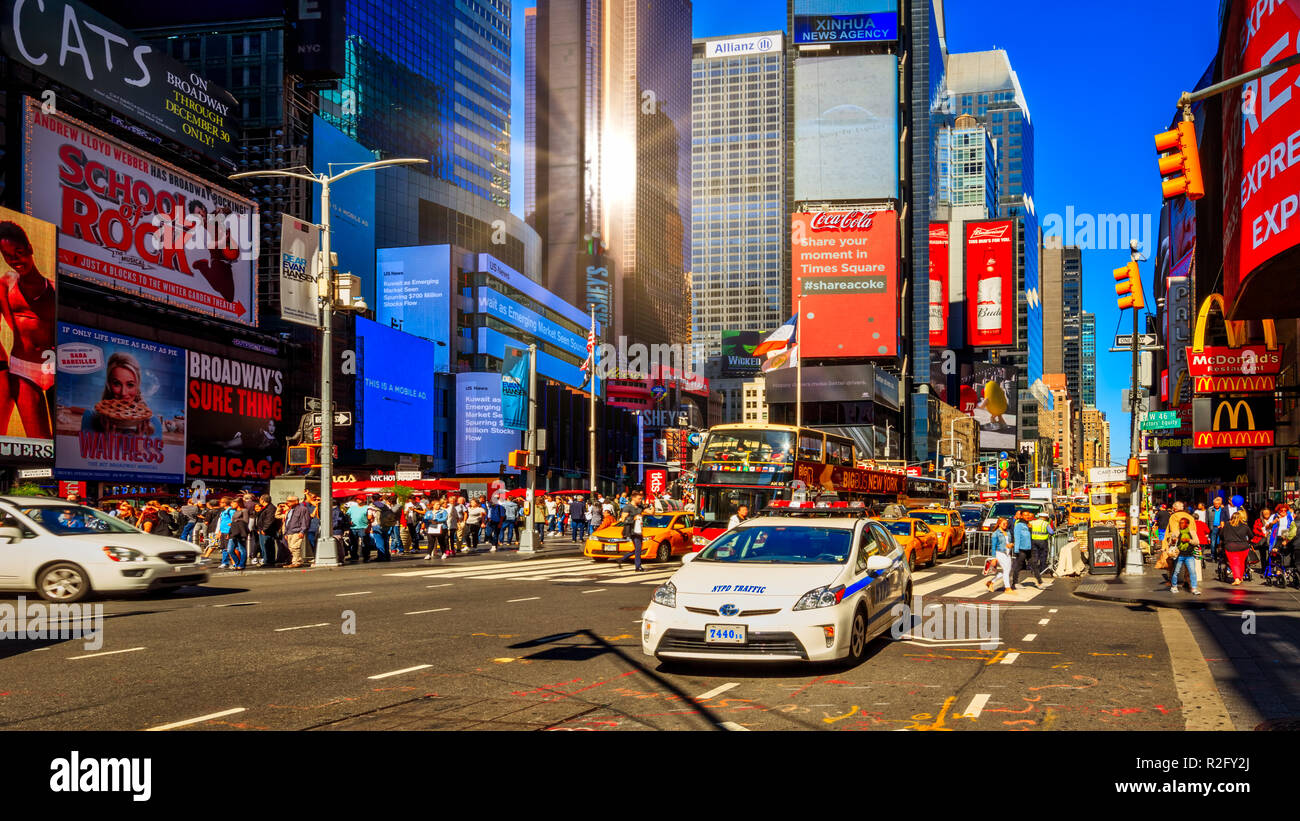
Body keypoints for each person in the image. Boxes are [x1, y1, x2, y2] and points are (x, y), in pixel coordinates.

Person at [0, 219, 56, 440]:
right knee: (40, 443)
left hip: (53, 368)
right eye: (8, 255)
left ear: (30, 249)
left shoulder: (53, 287)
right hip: (23, 369)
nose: (15, 259)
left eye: (19, 252)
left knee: (62, 445)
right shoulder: (5, 284)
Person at [617, 490, 648, 572]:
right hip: (631, 530)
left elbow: (651, 512)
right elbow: (623, 520)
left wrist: (653, 506)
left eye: (641, 498)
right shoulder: (627, 507)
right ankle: (638, 566)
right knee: (638, 548)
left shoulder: (640, 507)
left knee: (639, 549)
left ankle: (622, 559)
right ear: (633, 498)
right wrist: (633, 519)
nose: (640, 500)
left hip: (639, 529)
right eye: (639, 498)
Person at [1169, 516, 1201, 595]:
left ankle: (1194, 588)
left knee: (1192, 572)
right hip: (1179, 555)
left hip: (1189, 555)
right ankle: (1174, 586)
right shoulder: (1176, 532)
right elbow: (1170, 543)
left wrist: (1188, 540)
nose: (1181, 524)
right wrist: (1173, 541)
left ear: (1187, 524)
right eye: (1180, 523)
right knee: (1176, 571)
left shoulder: (1192, 532)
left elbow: (1197, 542)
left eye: (1183, 523)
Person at [1222, 509, 1253, 585]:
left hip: (1230, 547)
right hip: (1243, 547)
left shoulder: (1227, 525)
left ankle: (1236, 579)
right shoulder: (1244, 526)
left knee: (1234, 563)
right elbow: (1251, 536)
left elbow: (1221, 535)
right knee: (1241, 563)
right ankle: (1240, 577)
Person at [282, 494, 312, 568]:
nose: (287, 503)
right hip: (289, 532)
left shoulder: (303, 509)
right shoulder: (290, 510)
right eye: (287, 501)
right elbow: (287, 522)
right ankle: (294, 561)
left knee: (294, 547)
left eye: (289, 501)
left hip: (297, 531)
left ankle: (297, 562)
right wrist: (286, 532)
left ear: (296, 501)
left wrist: (302, 531)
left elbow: (305, 521)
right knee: (291, 548)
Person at [986, 518, 1014, 594]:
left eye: (1006, 523)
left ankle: (991, 582)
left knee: (1007, 571)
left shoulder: (1007, 532)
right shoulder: (996, 533)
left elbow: (1009, 542)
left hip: (1007, 553)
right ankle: (1007, 588)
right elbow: (993, 546)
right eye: (1003, 523)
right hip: (1000, 553)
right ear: (999, 523)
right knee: (1006, 570)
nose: (1005, 525)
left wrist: (1011, 545)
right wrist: (994, 558)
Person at [1011, 511, 1037, 588]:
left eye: (1028, 515)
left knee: (1032, 564)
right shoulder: (1019, 524)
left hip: (1028, 547)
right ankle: (1014, 583)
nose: (1027, 517)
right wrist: (1016, 550)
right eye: (1025, 515)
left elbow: (1029, 536)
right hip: (1021, 548)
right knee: (1018, 566)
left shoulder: (1027, 524)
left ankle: (1039, 581)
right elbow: (1017, 537)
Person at [254, 494, 279, 567]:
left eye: (260, 499)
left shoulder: (270, 508)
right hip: (262, 530)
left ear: (263, 500)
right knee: (264, 546)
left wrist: (264, 529)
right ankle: (266, 561)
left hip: (267, 531)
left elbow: (269, 520)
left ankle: (269, 561)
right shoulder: (265, 508)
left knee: (267, 546)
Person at [1028, 511, 1053, 582]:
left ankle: (1033, 569)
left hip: (1033, 540)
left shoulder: (1032, 522)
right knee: (1043, 556)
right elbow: (1051, 532)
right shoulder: (1045, 523)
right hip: (1042, 541)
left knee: (1035, 555)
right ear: (1045, 517)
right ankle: (1042, 569)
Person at [347, 495, 371, 562]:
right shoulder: (352, 508)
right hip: (353, 528)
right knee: (353, 543)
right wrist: (349, 521)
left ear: (364, 500)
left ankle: (366, 557)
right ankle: (354, 556)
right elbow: (347, 515)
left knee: (365, 543)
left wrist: (369, 527)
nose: (358, 500)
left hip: (363, 527)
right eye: (357, 499)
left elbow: (370, 518)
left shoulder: (367, 508)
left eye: (360, 499)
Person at [227, 505, 251, 570]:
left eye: (233, 503)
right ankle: (237, 563)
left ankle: (241, 565)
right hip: (233, 531)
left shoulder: (244, 510)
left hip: (241, 532)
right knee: (230, 549)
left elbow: (246, 522)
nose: (231, 504)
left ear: (238, 503)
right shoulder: (235, 511)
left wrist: (235, 522)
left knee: (242, 549)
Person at [1207, 495, 1227, 561]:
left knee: (1220, 543)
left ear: (1220, 503)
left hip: (1222, 528)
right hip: (1213, 527)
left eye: (1218, 504)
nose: (1216, 505)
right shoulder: (1210, 509)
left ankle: (1221, 556)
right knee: (1213, 543)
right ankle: (1213, 556)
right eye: (1215, 504)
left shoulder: (1223, 509)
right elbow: (1206, 519)